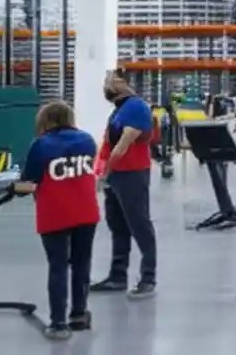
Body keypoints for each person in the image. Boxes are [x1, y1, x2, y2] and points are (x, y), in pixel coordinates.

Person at [12, 101, 100, 340]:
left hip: (55, 213)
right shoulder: (87, 140)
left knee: (58, 266)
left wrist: (13, 189)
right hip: (86, 211)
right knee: (82, 263)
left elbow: (28, 182)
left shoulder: (40, 145)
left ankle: (58, 324)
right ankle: (79, 314)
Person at [91, 69, 159, 299]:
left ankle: (148, 278)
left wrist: (106, 170)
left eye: (113, 80)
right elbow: (108, 144)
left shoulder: (136, 107)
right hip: (116, 175)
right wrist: (103, 172)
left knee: (140, 224)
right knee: (117, 226)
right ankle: (117, 276)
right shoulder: (119, 110)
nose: (108, 84)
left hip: (132, 174)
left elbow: (123, 144)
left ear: (125, 84)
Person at [196, 91, 236, 230]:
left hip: (221, 142)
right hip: (218, 142)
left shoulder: (221, 103)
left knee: (221, 176)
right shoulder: (218, 103)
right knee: (220, 175)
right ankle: (227, 208)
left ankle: (227, 209)